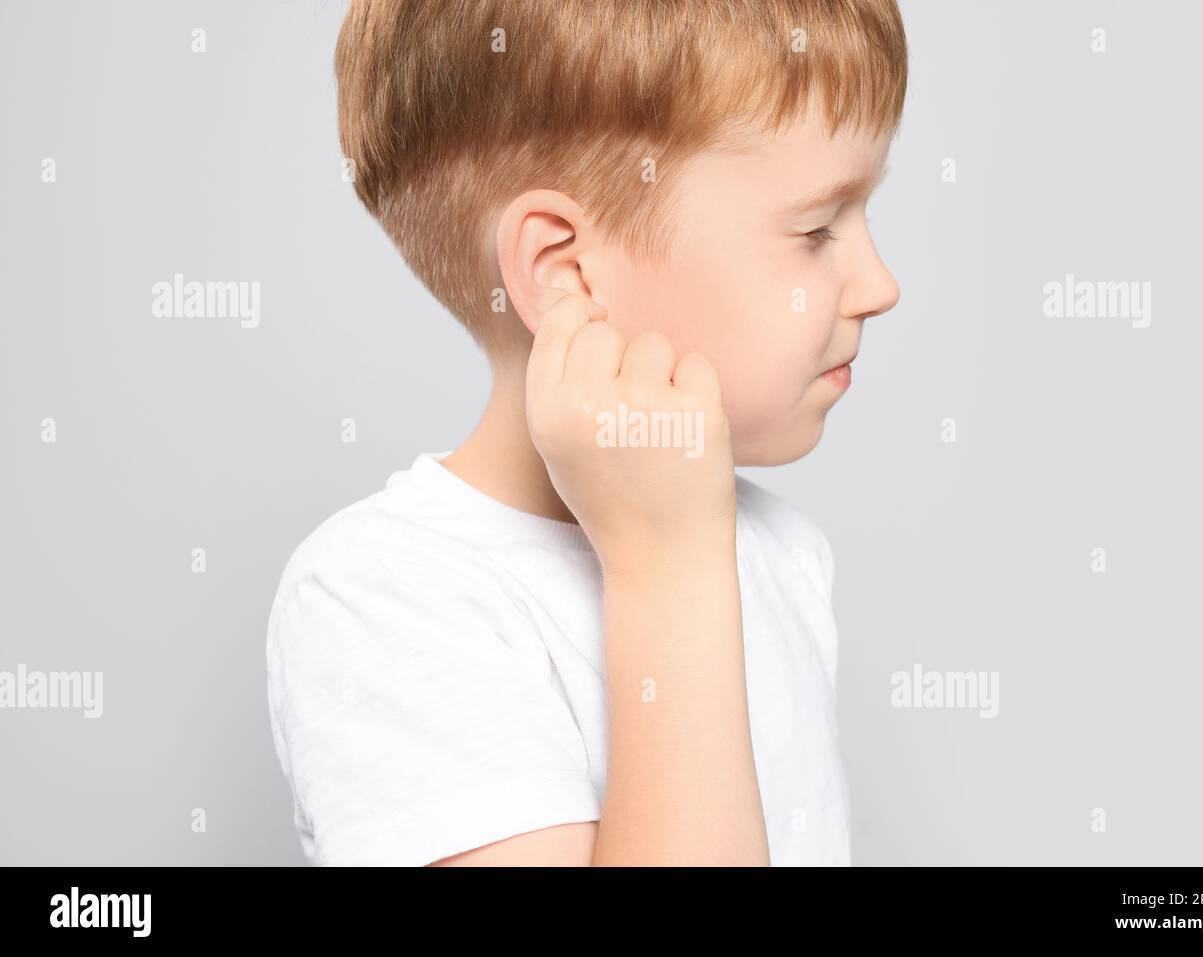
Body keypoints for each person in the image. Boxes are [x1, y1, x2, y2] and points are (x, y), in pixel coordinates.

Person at [266, 0, 906, 866]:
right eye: (817, 229)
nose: (879, 283)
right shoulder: (384, 598)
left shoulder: (782, 552)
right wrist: (665, 569)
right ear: (567, 274)